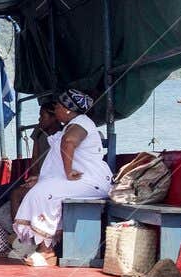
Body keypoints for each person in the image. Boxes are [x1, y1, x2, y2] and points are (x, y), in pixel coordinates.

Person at [11, 88, 112, 267]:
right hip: (81, 180)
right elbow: (61, 156)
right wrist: (41, 178)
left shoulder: (81, 123)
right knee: (40, 189)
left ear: (66, 110)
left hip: (91, 181)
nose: (56, 109)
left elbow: (69, 141)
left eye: (57, 106)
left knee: (43, 194)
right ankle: (39, 245)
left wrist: (68, 172)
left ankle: (47, 252)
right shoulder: (72, 125)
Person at [8, 94, 64, 219]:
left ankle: (17, 229)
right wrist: (34, 178)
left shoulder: (62, 135)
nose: (39, 119)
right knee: (1, 190)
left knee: (15, 194)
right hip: (39, 177)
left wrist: (40, 180)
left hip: (51, 179)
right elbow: (35, 159)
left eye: (42, 116)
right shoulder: (39, 133)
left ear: (54, 118)